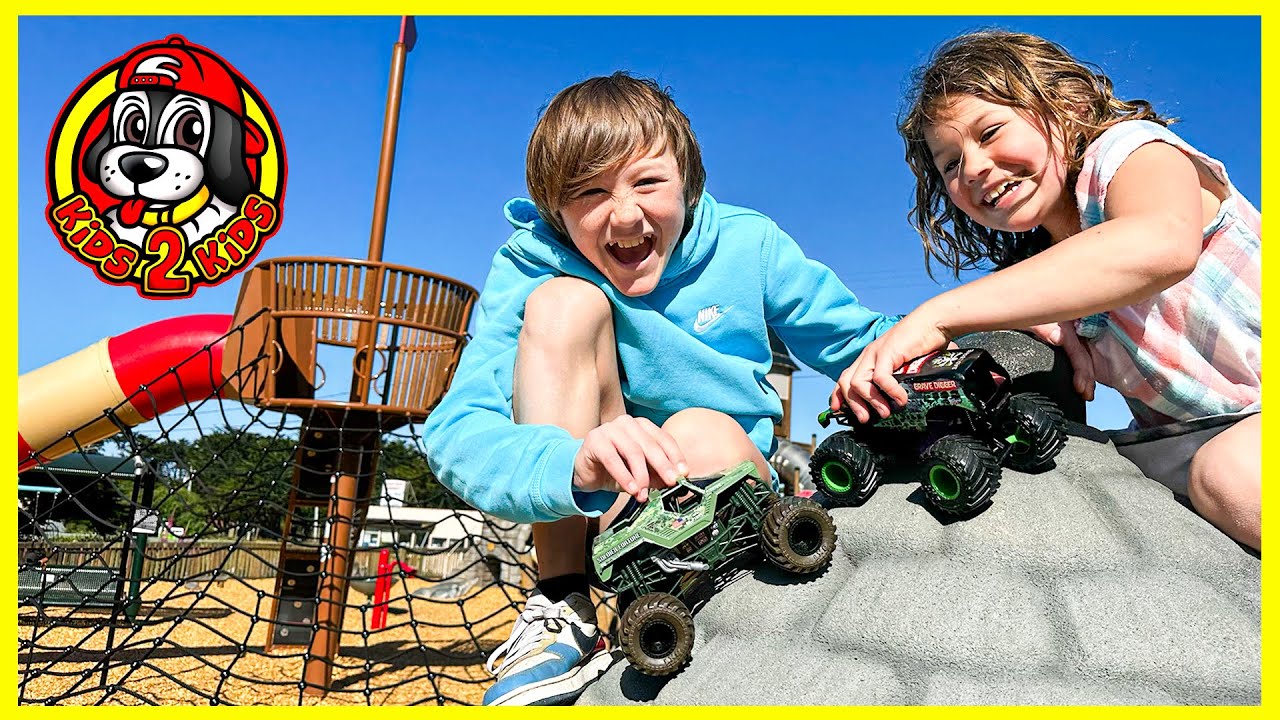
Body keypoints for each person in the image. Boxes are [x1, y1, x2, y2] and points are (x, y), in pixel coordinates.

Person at [421, 72, 898, 705]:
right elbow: (457, 429)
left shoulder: (746, 243)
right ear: (554, 210)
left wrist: (973, 323)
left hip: (725, 485)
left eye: (648, 182)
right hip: (610, 506)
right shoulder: (532, 262)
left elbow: (856, 340)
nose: (624, 214)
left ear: (688, 183)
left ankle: (724, 618)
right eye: (589, 193)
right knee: (563, 304)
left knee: (696, 432)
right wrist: (574, 460)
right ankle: (563, 604)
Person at [833, 31, 1260, 550]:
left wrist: (937, 317)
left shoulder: (1130, 154)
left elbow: (1161, 243)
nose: (973, 167)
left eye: (990, 132)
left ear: (1067, 105)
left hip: (1241, 446)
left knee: (1230, 472)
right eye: (949, 164)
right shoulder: (1044, 271)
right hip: (1196, 446)